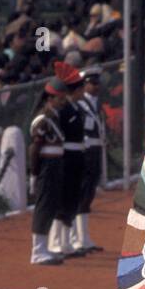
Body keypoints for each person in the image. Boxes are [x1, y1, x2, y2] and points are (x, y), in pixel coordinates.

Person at [28, 77, 67, 265]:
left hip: (55, 166)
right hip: (46, 167)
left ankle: (43, 247)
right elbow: (34, 149)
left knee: (51, 205)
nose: (63, 101)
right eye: (60, 98)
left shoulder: (54, 117)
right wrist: (33, 174)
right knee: (43, 205)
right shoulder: (43, 120)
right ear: (51, 98)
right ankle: (37, 250)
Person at [56, 64, 87, 258]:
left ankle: (66, 241)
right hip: (67, 157)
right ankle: (59, 242)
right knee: (65, 199)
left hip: (77, 157)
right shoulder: (64, 110)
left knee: (74, 198)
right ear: (75, 90)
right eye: (81, 89)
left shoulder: (75, 108)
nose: (83, 92)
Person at [74, 66, 104, 254]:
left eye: (97, 83)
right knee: (82, 191)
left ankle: (84, 237)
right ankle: (77, 238)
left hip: (95, 148)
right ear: (84, 85)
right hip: (85, 149)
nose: (96, 87)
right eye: (92, 83)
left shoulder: (94, 103)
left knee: (89, 193)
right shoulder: (80, 104)